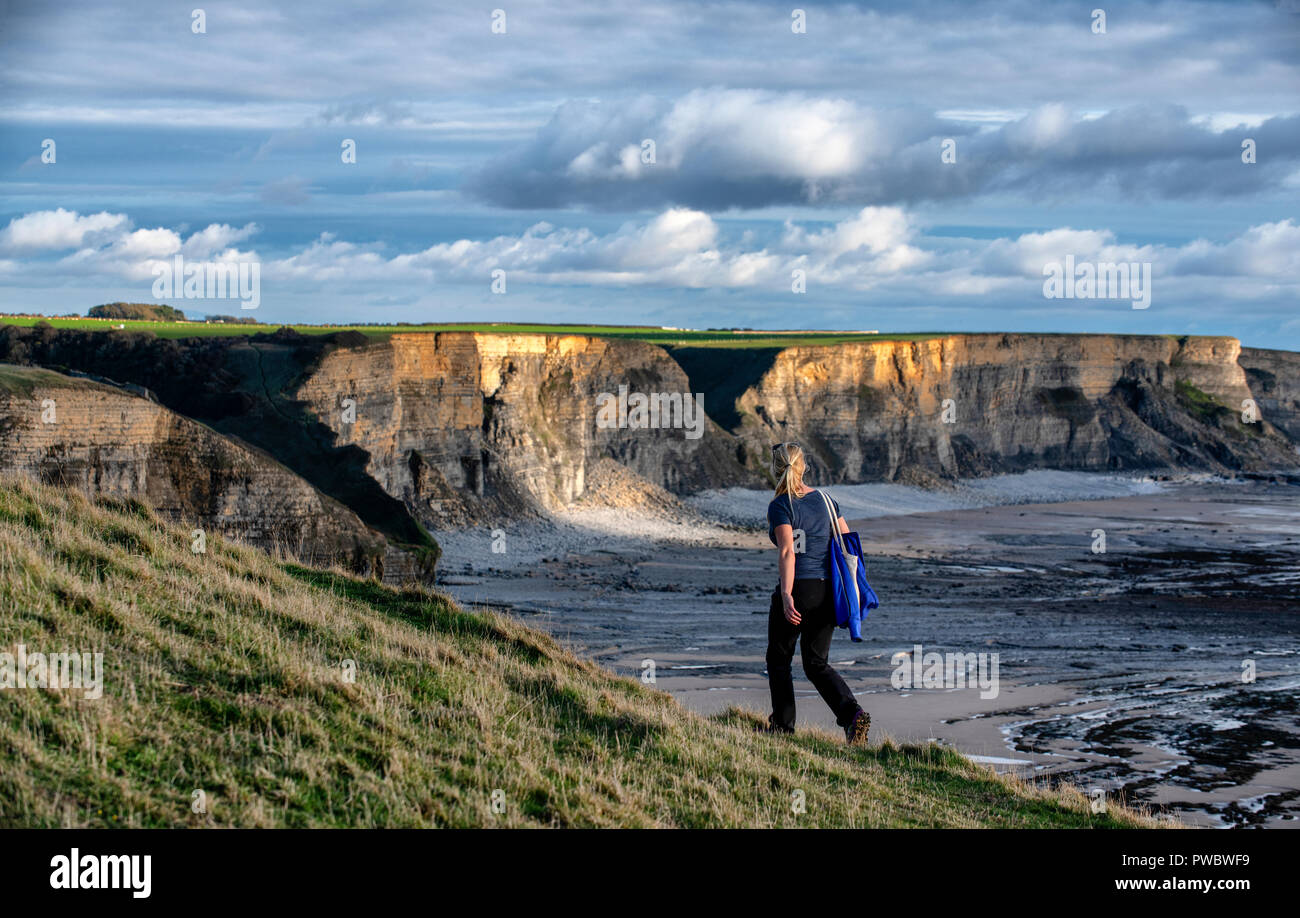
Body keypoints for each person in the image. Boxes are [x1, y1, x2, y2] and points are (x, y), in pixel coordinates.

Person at [762, 442, 870, 744]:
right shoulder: (826, 500)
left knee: (779, 658)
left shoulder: (781, 505)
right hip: (827, 592)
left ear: (776, 469)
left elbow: (787, 552)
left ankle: (783, 727)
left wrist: (786, 595)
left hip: (800, 588)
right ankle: (853, 715)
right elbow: (848, 542)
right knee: (816, 663)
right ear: (804, 466)